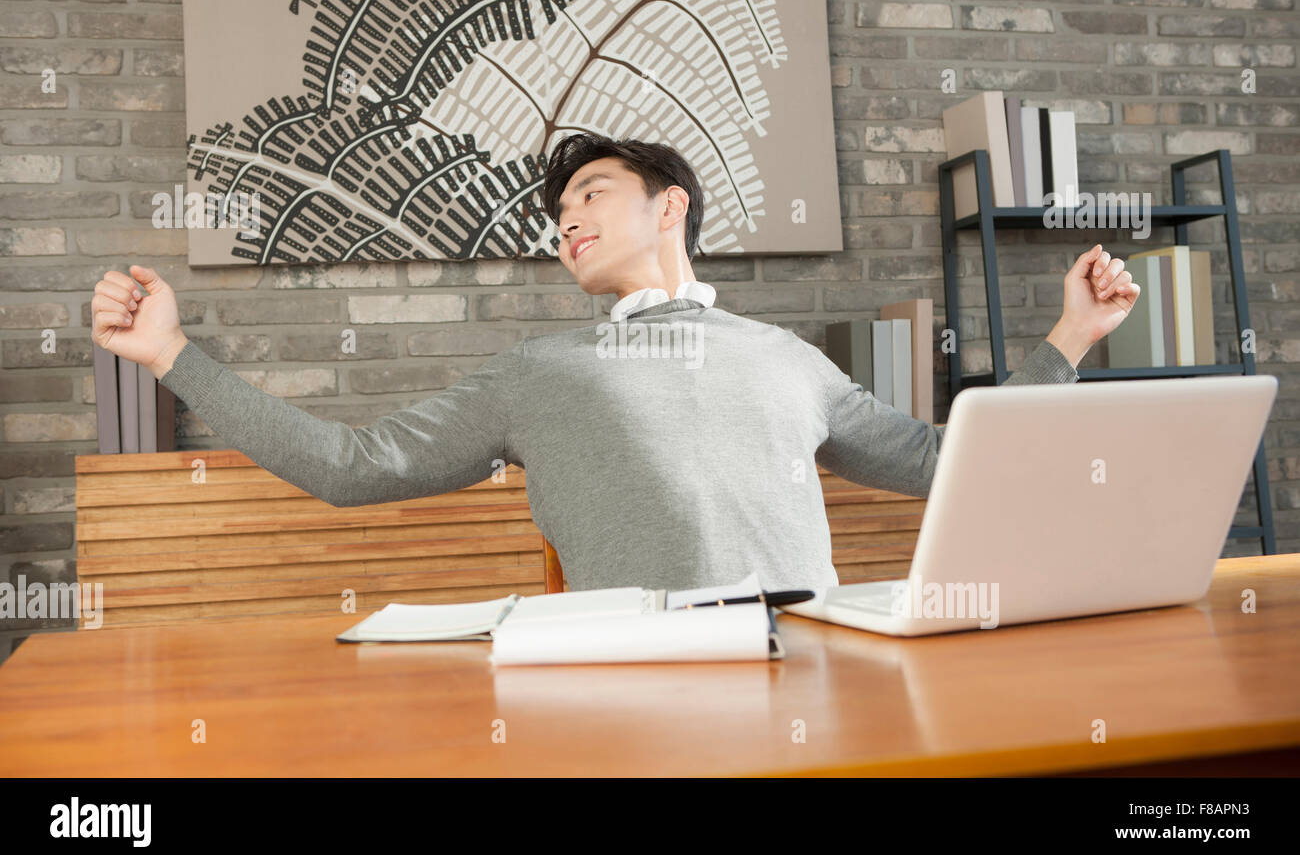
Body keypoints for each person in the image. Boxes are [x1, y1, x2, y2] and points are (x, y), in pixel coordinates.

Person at [89, 133, 1138, 591]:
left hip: (817, 674)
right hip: (640, 686)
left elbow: (954, 461)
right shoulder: (539, 370)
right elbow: (351, 465)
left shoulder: (789, 361)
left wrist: (1068, 343)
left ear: (667, 204)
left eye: (590, 192)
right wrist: (172, 352)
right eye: (558, 212)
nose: (568, 220)